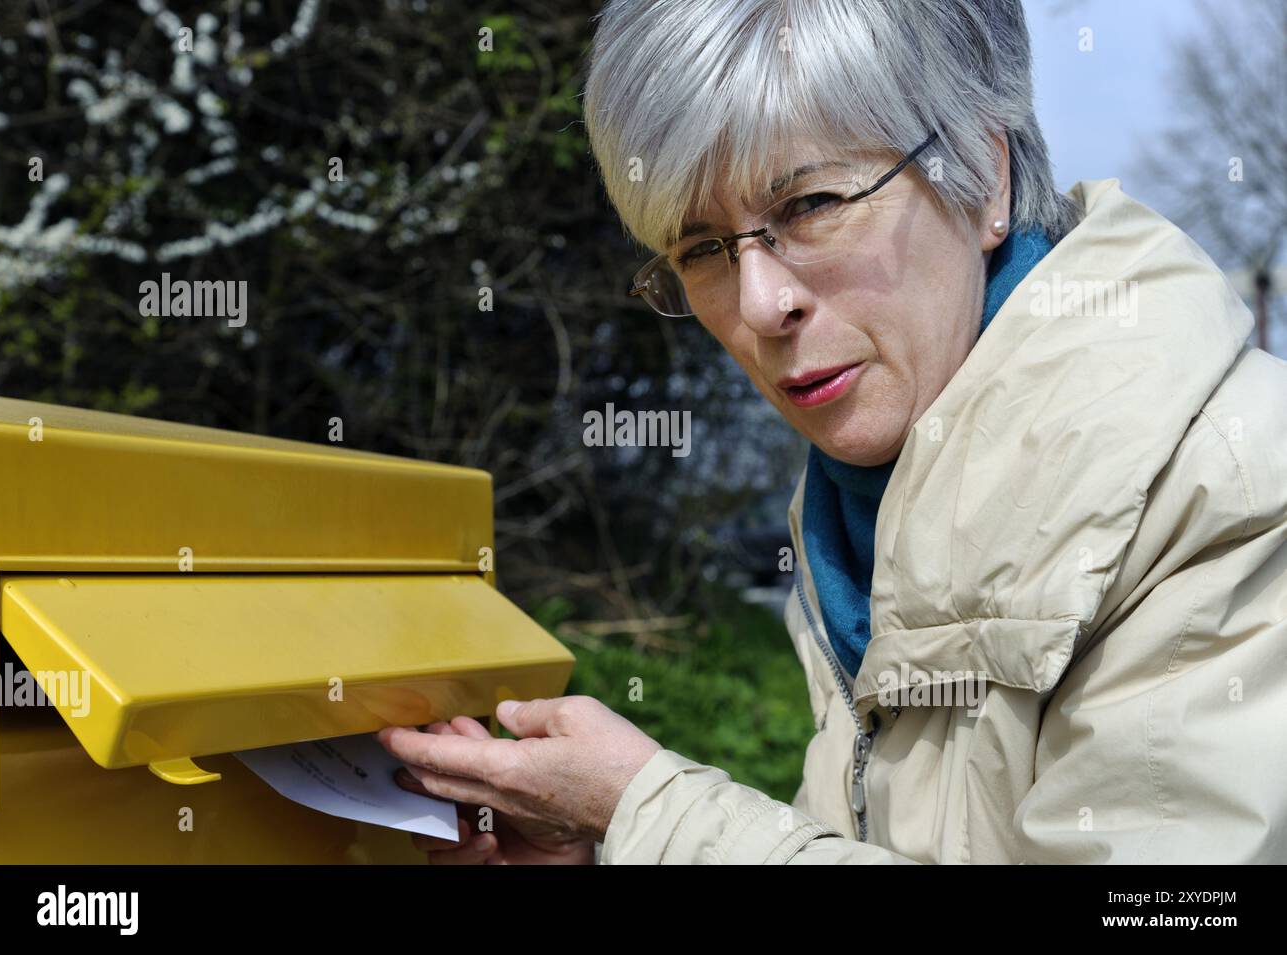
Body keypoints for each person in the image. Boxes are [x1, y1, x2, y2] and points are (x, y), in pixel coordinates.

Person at [377, 0, 1287, 863]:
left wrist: (648, 814)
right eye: (701, 250)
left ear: (985, 174)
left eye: (811, 205)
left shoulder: (1228, 490)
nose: (762, 304)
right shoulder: (860, 507)